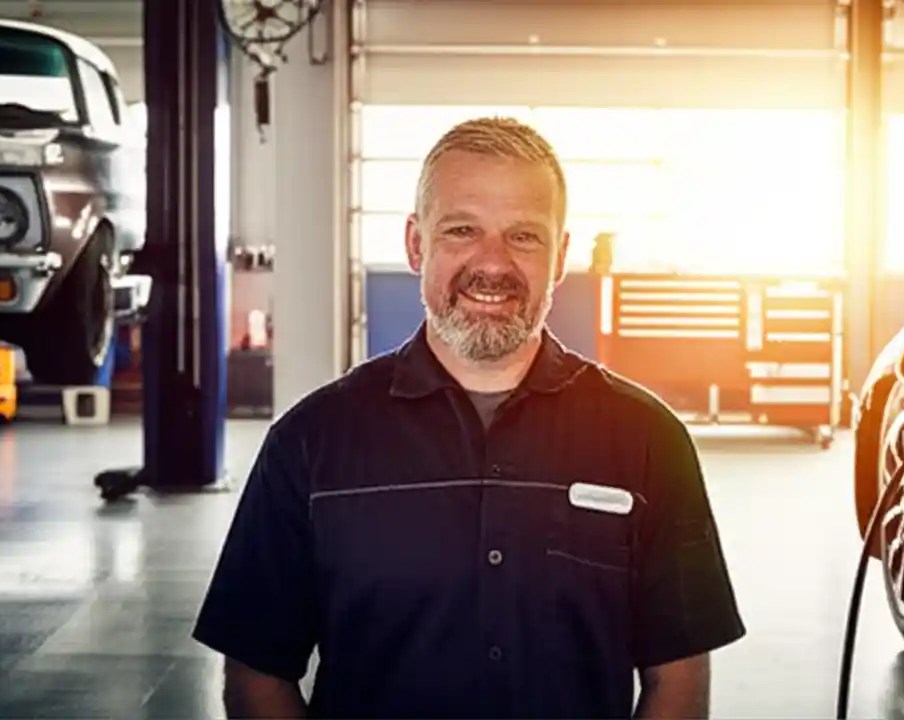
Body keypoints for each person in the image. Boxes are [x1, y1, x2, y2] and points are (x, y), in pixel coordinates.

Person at [192, 116, 746, 719]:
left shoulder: (648, 441)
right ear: (415, 244)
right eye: (462, 230)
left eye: (524, 236)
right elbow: (256, 671)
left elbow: (679, 679)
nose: (493, 263)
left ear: (560, 257)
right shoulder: (310, 443)